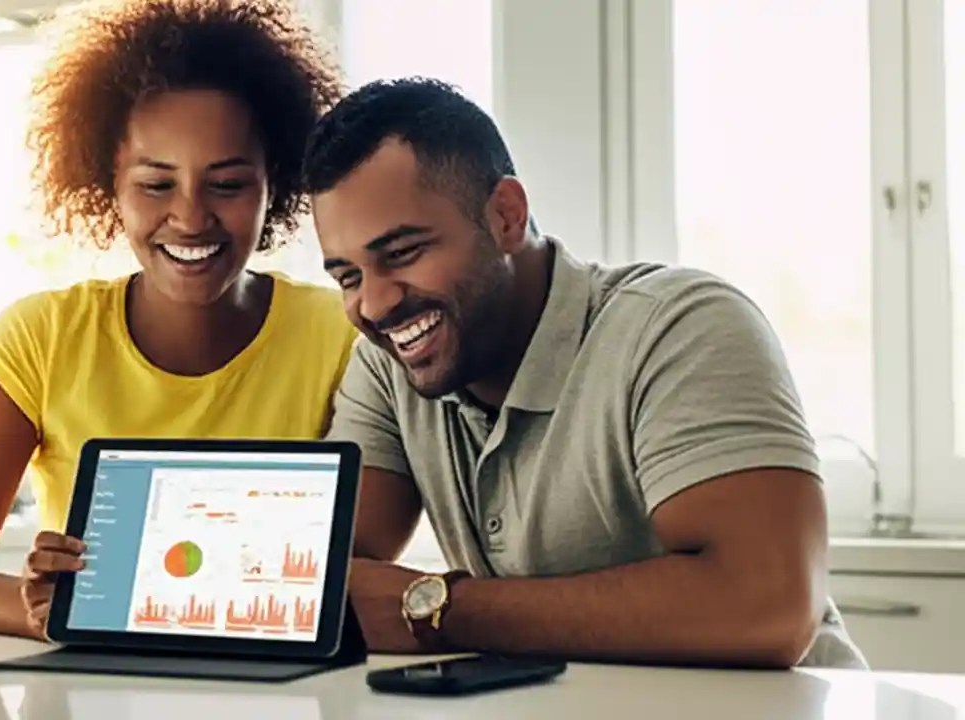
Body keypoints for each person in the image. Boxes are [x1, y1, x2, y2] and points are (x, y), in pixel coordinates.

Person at [303, 77, 866, 669]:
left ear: (505, 216)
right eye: (348, 276)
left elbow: (766, 609)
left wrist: (442, 609)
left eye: (401, 254)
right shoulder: (387, 367)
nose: (374, 303)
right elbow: (327, 586)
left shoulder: (679, 326)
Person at [0, 0, 353, 640]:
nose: (191, 218)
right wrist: (58, 614)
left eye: (226, 185)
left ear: (274, 184)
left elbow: (353, 572)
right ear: (106, 182)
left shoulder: (340, 337)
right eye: (155, 184)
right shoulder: (41, 339)